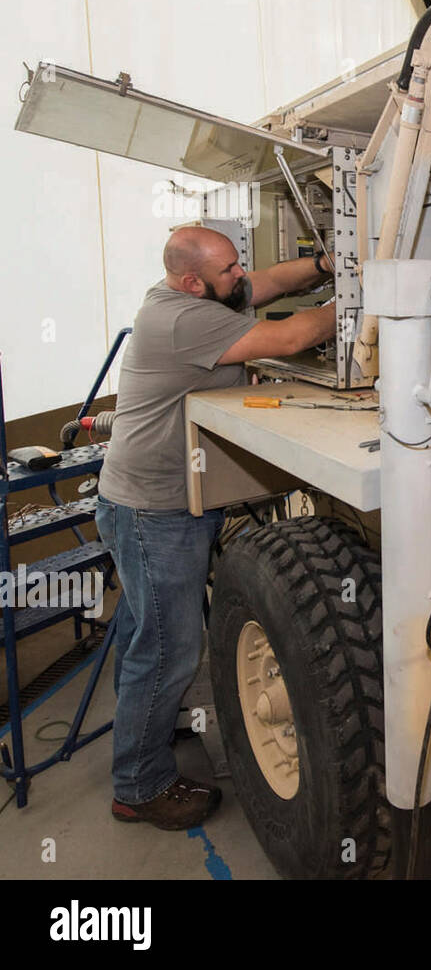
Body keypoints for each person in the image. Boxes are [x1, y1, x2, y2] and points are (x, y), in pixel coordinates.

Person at [95, 225, 337, 830]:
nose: (241, 277)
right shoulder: (184, 319)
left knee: (142, 635)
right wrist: (372, 293)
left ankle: (147, 725)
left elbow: (275, 283)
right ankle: (139, 786)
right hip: (155, 512)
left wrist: (328, 264)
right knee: (170, 649)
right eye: (229, 271)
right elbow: (296, 334)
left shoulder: (205, 295)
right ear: (190, 281)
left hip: (150, 505)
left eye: (236, 266)